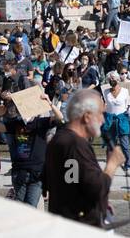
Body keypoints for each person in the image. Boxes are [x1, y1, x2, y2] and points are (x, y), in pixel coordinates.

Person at [44, 88, 124, 226]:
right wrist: (112, 164)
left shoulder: (59, 139)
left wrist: (99, 204)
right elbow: (97, 188)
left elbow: (72, 184)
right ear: (87, 116)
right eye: (100, 114)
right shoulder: (75, 144)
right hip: (79, 228)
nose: (103, 119)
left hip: (67, 222)